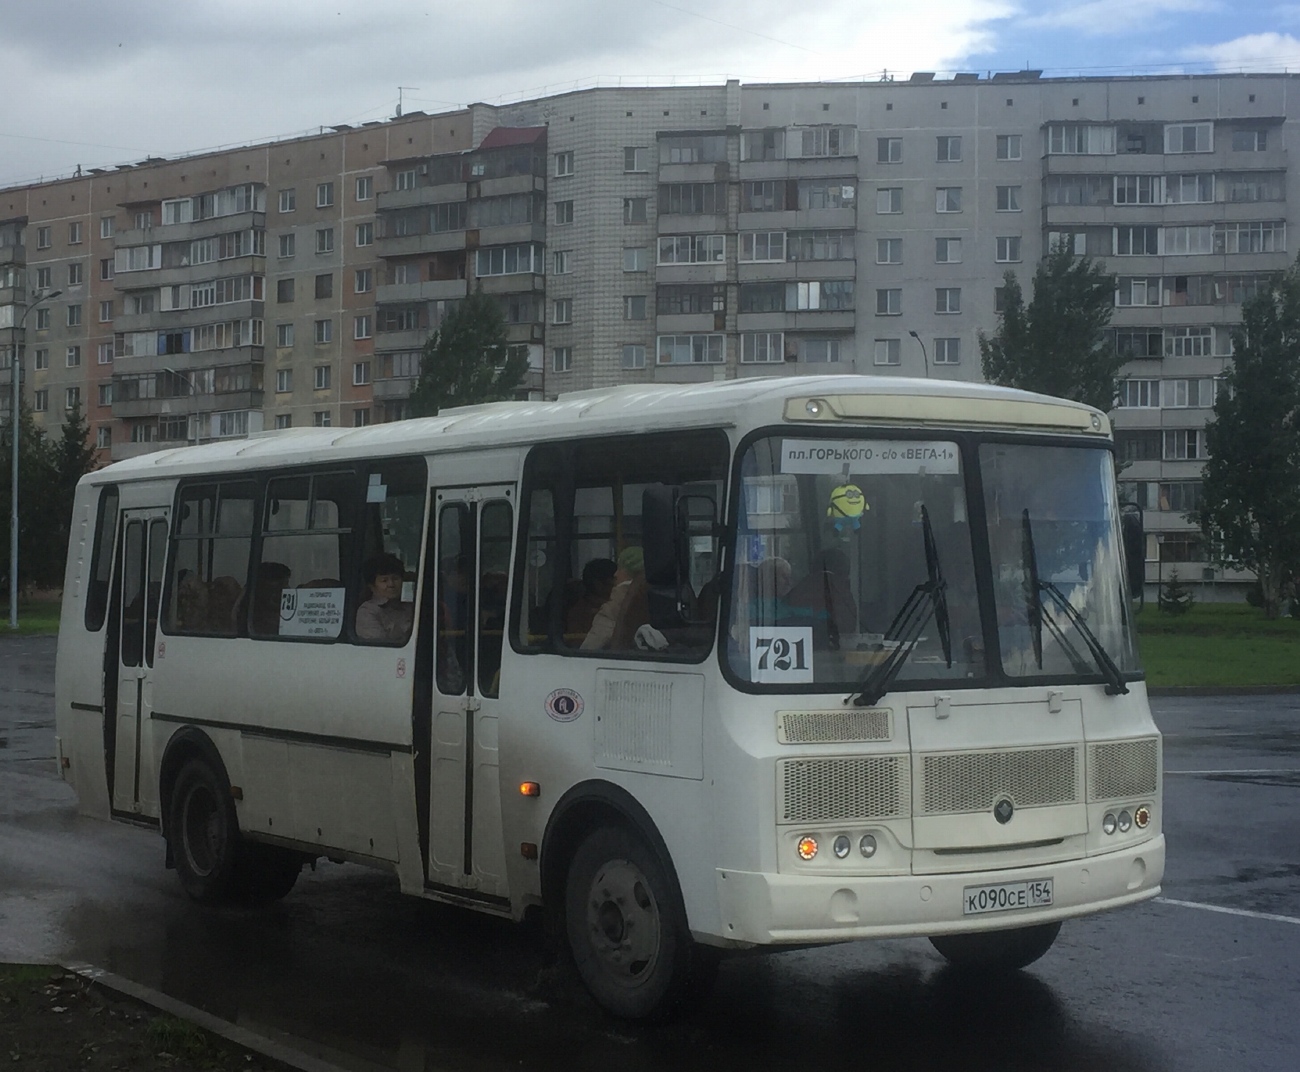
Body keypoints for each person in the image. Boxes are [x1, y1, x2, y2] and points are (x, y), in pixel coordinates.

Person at [581, 546, 651, 651]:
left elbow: (591, 647)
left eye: (620, 568)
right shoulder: (665, 602)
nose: (615, 574)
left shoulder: (616, 605)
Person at [356, 552, 413, 642]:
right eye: (384, 580)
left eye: (395, 579)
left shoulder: (410, 607)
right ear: (372, 586)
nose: (391, 584)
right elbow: (381, 647)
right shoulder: (368, 611)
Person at [565, 558, 617, 636]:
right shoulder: (580, 613)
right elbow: (578, 644)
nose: (619, 586)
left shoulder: (615, 606)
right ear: (598, 584)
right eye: (614, 581)